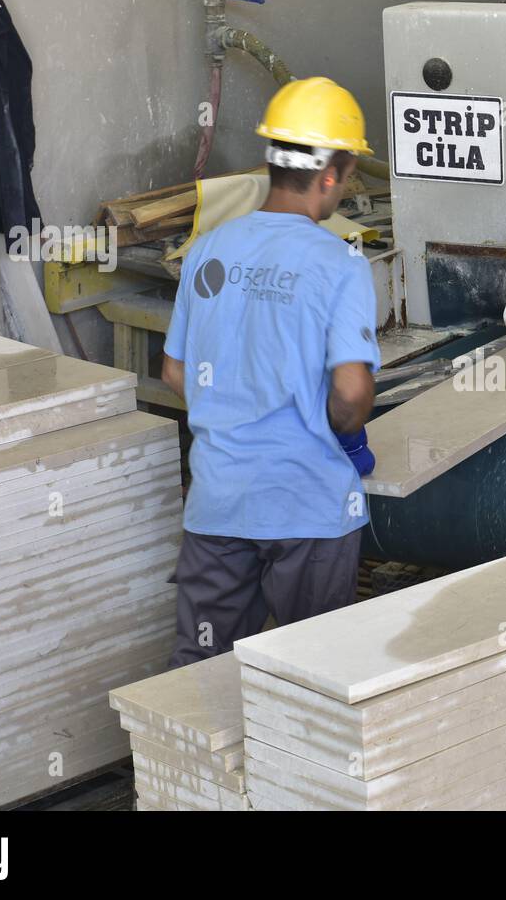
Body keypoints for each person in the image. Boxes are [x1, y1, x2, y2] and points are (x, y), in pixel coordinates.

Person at [160, 77, 381, 668]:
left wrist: (234, 413)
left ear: (272, 159)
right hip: (308, 506)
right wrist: (347, 434)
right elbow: (352, 392)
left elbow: (176, 371)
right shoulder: (341, 263)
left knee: (200, 676)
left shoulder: (207, 248)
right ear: (331, 173)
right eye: (349, 169)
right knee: (316, 677)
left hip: (219, 503)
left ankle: (192, 763)